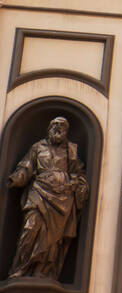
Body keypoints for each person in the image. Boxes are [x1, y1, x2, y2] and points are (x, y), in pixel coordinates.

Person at [7, 116, 88, 281]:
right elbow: (26, 167)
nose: (58, 128)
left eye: (62, 126)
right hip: (39, 192)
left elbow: (79, 173)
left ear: (66, 131)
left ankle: (42, 271)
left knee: (52, 239)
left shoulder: (71, 150)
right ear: (49, 128)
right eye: (55, 125)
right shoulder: (37, 147)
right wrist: (17, 178)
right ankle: (21, 268)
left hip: (62, 199)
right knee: (30, 229)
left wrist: (79, 186)